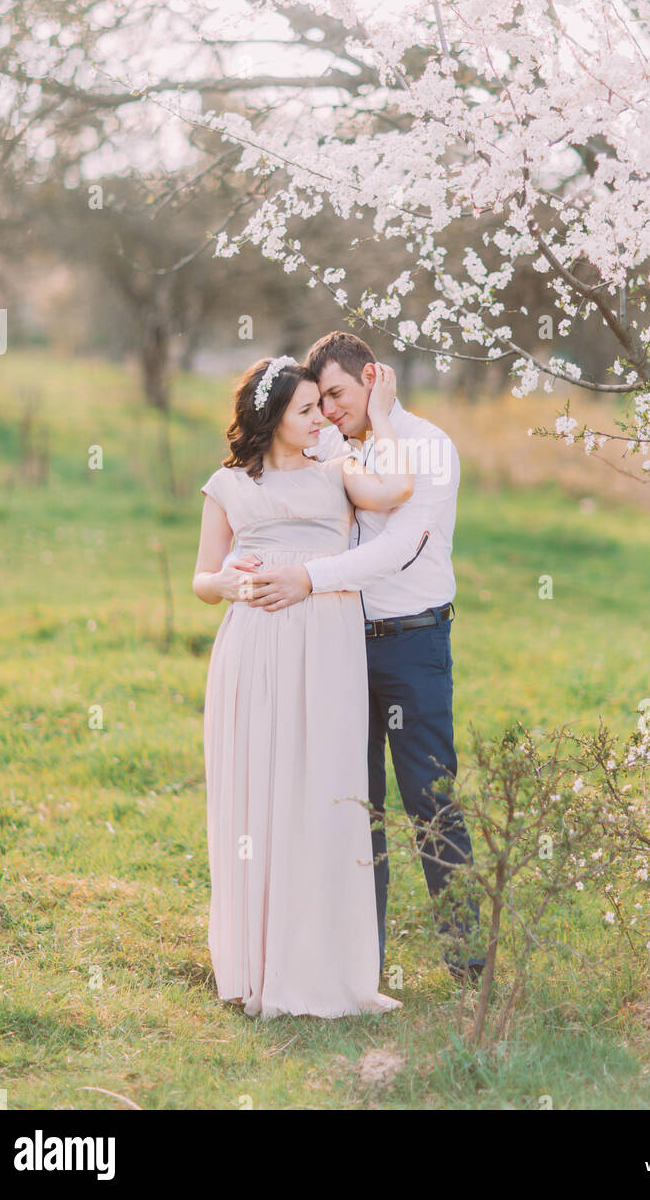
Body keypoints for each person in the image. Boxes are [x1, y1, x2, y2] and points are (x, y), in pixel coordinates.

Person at [245, 332, 486, 983]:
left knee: (431, 804)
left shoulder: (430, 448)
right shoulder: (332, 448)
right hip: (342, 644)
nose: (326, 411)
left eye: (336, 395)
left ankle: (469, 964)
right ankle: (361, 968)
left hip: (414, 646)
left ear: (373, 379)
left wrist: (310, 577)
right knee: (356, 809)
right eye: (317, 400)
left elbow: (399, 547)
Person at [192, 354, 408, 1019]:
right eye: (307, 410)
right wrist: (227, 583)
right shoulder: (228, 487)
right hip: (255, 646)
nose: (323, 419)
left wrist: (383, 413)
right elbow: (202, 579)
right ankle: (259, 964)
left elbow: (395, 489)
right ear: (272, 417)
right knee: (262, 791)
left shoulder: (338, 471)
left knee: (324, 789)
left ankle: (323, 967)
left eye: (324, 406)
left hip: (328, 645)